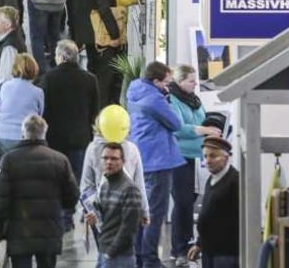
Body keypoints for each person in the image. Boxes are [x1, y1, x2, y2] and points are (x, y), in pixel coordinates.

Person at [0, 114, 78, 268]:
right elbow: (72, 197)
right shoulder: (60, 160)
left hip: (19, 233)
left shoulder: (10, 160)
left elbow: (0, 201)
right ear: (45, 132)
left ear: (23, 133)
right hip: (49, 232)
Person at [127, 62, 185, 268]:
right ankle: (150, 258)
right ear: (156, 81)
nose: (168, 87)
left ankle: (139, 256)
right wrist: (166, 100)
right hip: (158, 160)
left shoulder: (134, 90)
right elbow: (176, 124)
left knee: (142, 210)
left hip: (141, 157)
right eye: (166, 82)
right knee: (155, 213)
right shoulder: (155, 99)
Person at [41, 39, 99, 230]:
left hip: (55, 138)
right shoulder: (90, 79)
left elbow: (44, 109)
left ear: (60, 57)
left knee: (56, 177)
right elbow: (94, 112)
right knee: (74, 177)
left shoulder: (49, 78)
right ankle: (68, 215)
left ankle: (58, 215)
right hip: (80, 138)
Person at [168, 65, 220, 266]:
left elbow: (203, 119)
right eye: (191, 80)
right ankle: (180, 248)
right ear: (180, 82)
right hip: (180, 157)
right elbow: (179, 128)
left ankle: (186, 245)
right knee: (182, 203)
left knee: (190, 200)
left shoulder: (195, 101)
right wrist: (205, 130)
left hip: (197, 157)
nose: (195, 83)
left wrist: (214, 126)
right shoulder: (172, 100)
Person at [75, 0, 123, 105]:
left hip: (88, 37)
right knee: (105, 77)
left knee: (93, 70)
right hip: (102, 37)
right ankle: (102, 110)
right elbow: (105, 11)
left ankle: (92, 106)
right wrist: (115, 35)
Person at [188, 137, 239, 268]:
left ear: (226, 158)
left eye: (213, 156)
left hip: (226, 253)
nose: (208, 161)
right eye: (205, 156)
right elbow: (208, 215)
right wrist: (199, 244)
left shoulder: (235, 182)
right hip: (209, 250)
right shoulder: (211, 180)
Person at [94, 142, 145, 268]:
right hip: (104, 251)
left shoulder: (130, 189)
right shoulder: (105, 185)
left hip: (120, 256)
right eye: (105, 158)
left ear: (123, 161)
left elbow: (129, 227)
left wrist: (111, 252)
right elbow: (106, 219)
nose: (109, 162)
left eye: (114, 158)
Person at [0, 54, 44, 161]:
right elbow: (39, 116)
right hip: (24, 138)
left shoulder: (2, 86)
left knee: (3, 169)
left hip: (0, 135)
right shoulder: (38, 92)